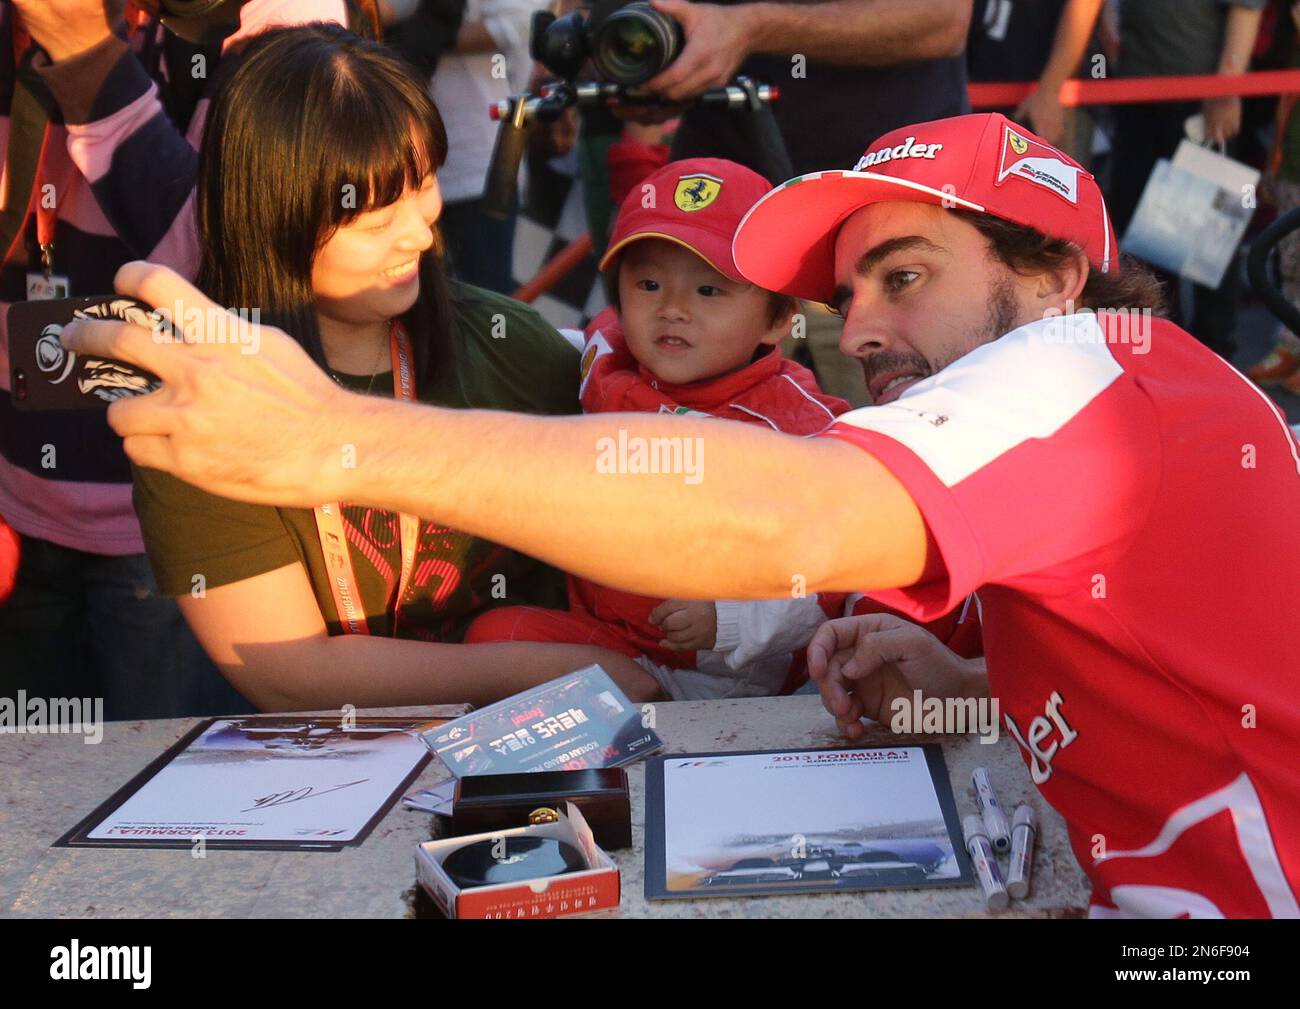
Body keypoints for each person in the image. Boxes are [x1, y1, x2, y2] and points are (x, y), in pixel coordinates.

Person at [66, 113, 1300, 918]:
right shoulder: (1129, 389)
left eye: (905, 274)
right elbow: (1173, 678)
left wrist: (325, 438)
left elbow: (775, 514)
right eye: (847, 291)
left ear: (1053, 277)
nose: (860, 326)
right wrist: (963, 676)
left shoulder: (1085, 370)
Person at [124, 24, 659, 710]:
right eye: (375, 217)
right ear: (271, 216)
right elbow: (288, 674)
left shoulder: (512, 344)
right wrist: (566, 668)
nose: (419, 230)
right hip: (331, 769)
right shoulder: (205, 403)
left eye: (425, 184)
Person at [0, 0, 350, 719]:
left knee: (171, 801)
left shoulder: (273, 16)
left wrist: (85, 56)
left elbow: (234, 257)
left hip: (176, 523)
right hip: (18, 495)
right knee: (26, 803)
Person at [465, 157, 849, 699]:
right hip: (613, 633)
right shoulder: (605, 352)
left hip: (718, 672)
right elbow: (531, 347)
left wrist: (729, 621)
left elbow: (833, 569)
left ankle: (656, 710)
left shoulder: (794, 430)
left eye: (708, 292)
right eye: (648, 284)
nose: (672, 309)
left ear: (778, 319)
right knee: (492, 637)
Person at [1105, 0, 1267, 359]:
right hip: (1135, 93)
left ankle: (1215, 354)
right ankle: (1156, 347)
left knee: (1210, 241)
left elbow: (1247, 9)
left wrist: (1226, 89)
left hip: (1198, 100)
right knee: (1139, 230)